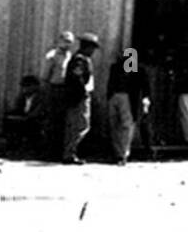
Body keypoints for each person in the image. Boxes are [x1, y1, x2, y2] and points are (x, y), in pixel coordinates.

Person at [61, 33, 100, 165]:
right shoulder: (80, 60)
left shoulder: (81, 59)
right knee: (79, 125)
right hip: (78, 97)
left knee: (77, 125)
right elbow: (77, 78)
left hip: (76, 96)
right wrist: (83, 93)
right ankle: (69, 153)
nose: (93, 51)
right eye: (92, 48)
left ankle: (70, 152)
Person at [107, 52, 150, 166]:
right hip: (116, 96)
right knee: (115, 125)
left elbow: (145, 86)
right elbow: (111, 83)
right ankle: (118, 153)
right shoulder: (116, 68)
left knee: (126, 125)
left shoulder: (138, 70)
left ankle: (123, 154)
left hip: (128, 98)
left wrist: (145, 98)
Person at [41, 31, 75, 160]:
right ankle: (48, 151)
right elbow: (45, 76)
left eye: (70, 42)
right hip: (54, 88)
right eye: (66, 41)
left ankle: (59, 151)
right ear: (59, 40)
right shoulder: (52, 56)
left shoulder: (70, 56)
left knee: (63, 121)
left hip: (65, 89)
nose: (68, 44)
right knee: (51, 120)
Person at [4, 76, 45, 156]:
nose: (25, 89)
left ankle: (31, 150)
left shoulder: (41, 97)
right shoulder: (22, 97)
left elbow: (38, 112)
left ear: (35, 86)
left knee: (28, 125)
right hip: (24, 120)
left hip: (36, 122)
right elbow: (17, 109)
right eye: (23, 86)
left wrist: (25, 118)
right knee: (11, 124)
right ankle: (12, 148)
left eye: (28, 86)